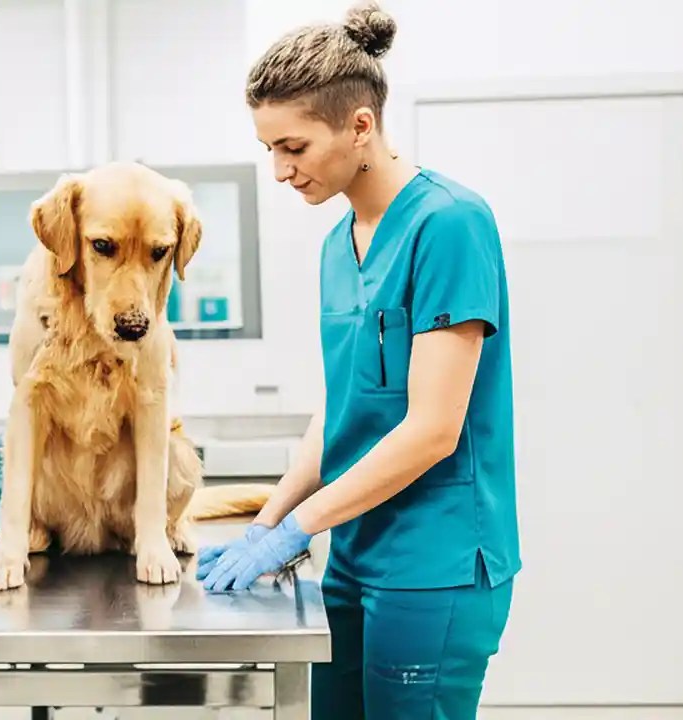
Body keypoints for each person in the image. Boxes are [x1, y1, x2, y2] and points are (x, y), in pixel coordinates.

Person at [195, 2, 521, 718]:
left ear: (360, 126)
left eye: (295, 147)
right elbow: (343, 406)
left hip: (433, 559)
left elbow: (434, 429)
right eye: (268, 148)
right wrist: (268, 522)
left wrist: (295, 528)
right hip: (351, 553)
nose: (279, 170)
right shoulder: (338, 243)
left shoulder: (449, 224)